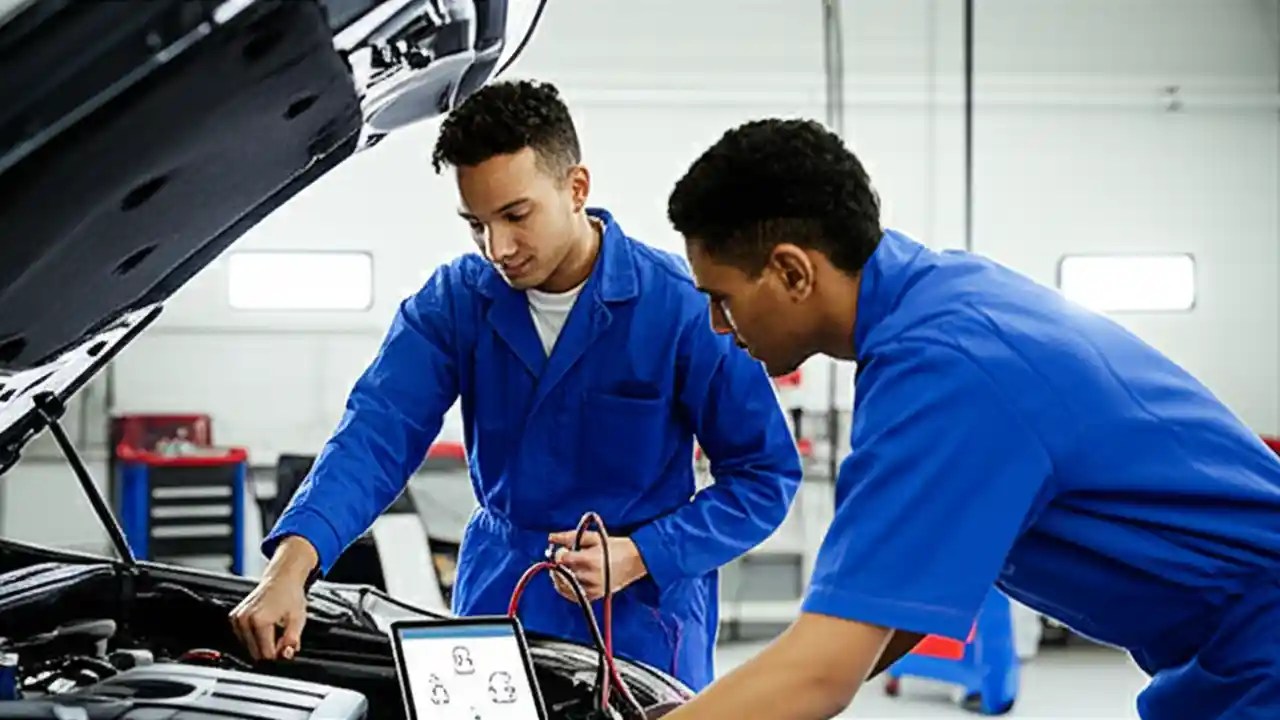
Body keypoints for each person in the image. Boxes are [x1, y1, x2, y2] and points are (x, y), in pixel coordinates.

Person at [654, 117, 1280, 719]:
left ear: (793, 271)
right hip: (1223, 655)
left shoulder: (943, 368)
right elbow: (884, 606)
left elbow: (823, 676)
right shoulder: (937, 303)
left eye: (721, 299)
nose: (716, 326)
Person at [228, 80, 803, 692]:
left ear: (576, 188)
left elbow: (764, 476)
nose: (497, 248)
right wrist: (292, 567)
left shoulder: (683, 307)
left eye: (515, 215)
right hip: (500, 593)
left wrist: (644, 554)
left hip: (640, 614)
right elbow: (377, 432)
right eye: (475, 223)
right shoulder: (455, 303)